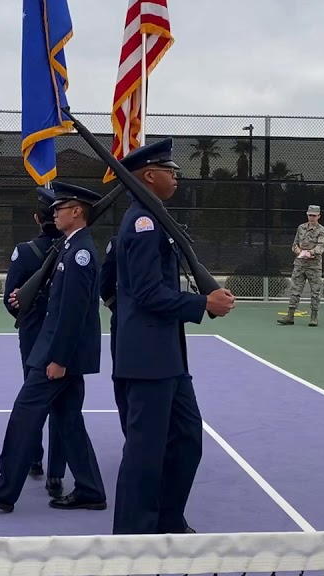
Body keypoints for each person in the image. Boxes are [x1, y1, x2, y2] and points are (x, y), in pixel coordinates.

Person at [110, 137, 236, 535]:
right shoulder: (143, 223)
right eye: (170, 171)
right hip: (149, 360)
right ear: (150, 175)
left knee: (185, 440)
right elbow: (147, 293)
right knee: (145, 455)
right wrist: (203, 305)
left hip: (166, 357)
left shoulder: (153, 217)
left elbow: (112, 285)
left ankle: (166, 520)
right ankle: (132, 538)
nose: (176, 177)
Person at [0, 181, 107, 512]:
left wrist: (58, 359)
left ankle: (4, 488)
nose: (53, 212)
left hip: (57, 354)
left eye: (60, 207)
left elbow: (72, 315)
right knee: (68, 419)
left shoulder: (80, 253)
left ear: (77, 212)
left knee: (26, 412)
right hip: (59, 351)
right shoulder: (71, 248)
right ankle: (91, 489)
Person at [2, 186, 66, 494]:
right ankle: (56, 474)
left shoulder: (25, 252)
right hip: (64, 335)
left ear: (36, 218)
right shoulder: (75, 248)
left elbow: (10, 300)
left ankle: (34, 459)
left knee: (33, 397)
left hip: (32, 336)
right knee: (62, 403)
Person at [278, 204, 324, 326]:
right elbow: (295, 244)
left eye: (314, 216)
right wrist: (297, 250)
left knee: (315, 291)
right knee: (295, 290)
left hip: (314, 265)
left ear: (319, 216)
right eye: (310, 215)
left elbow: (321, 246)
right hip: (299, 264)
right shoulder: (301, 228)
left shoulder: (322, 230)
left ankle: (314, 317)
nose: (312, 217)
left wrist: (310, 252)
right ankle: (290, 316)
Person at [100, 235, 127, 435]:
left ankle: (132, 437)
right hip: (161, 331)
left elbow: (106, 286)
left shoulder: (119, 242)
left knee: (124, 384)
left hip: (124, 325)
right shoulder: (169, 239)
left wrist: (119, 310)